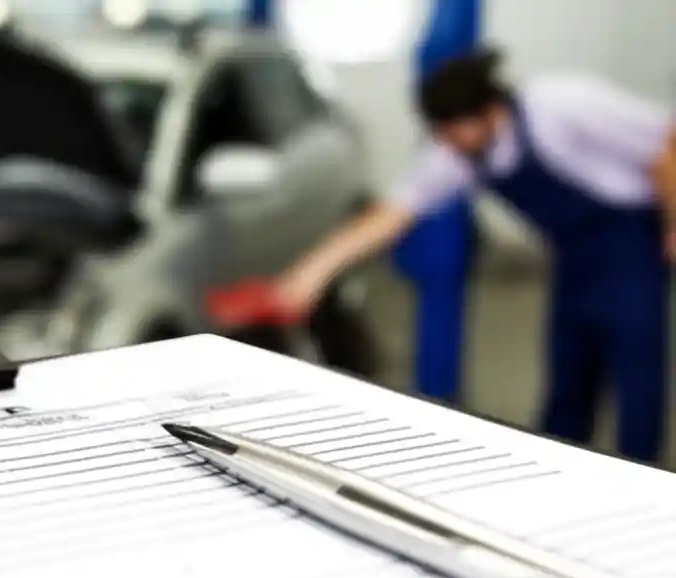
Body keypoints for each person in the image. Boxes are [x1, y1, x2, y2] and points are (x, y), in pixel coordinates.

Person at [276, 49, 676, 463]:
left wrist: (673, 223)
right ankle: (559, 469)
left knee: (637, 372)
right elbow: (390, 215)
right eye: (439, 132)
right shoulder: (456, 154)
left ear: (488, 110)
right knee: (570, 372)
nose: (445, 142)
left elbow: (665, 142)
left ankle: (644, 473)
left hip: (632, 242)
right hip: (574, 254)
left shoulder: (562, 103)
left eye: (452, 129)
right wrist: (311, 273)